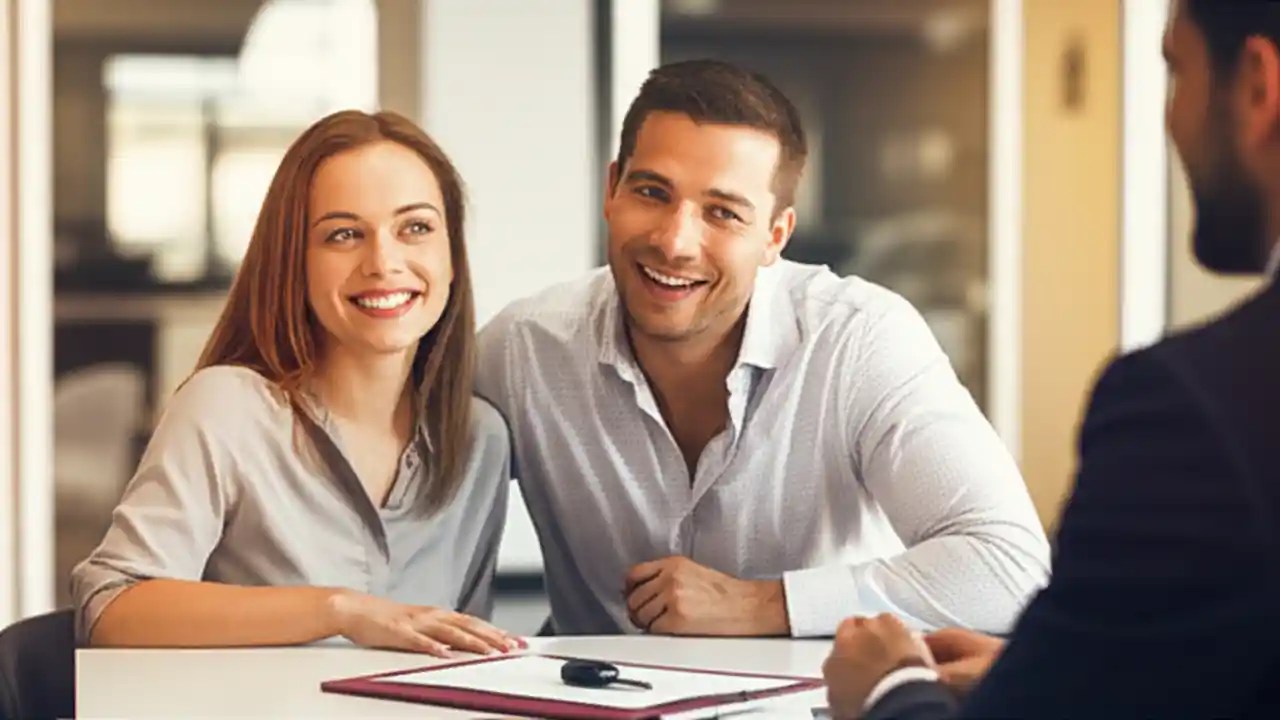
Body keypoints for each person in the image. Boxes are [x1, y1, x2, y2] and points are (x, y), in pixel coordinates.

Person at [475, 59, 1050, 639]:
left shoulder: (858, 339)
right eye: (652, 192)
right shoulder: (525, 349)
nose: (675, 242)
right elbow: (398, 492)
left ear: (775, 235)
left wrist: (762, 605)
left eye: (722, 212)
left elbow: (1009, 567)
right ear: (611, 190)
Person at [821, 1, 1280, 717]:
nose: (1170, 119)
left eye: (1176, 72)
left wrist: (890, 690)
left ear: (1256, 85)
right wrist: (1071, 668)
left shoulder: (1192, 413)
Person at [71, 110, 523, 658]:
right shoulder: (228, 408)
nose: (383, 261)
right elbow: (112, 610)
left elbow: (465, 656)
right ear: (296, 261)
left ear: (452, 255)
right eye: (344, 235)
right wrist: (339, 611)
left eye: (416, 228)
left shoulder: (480, 441)